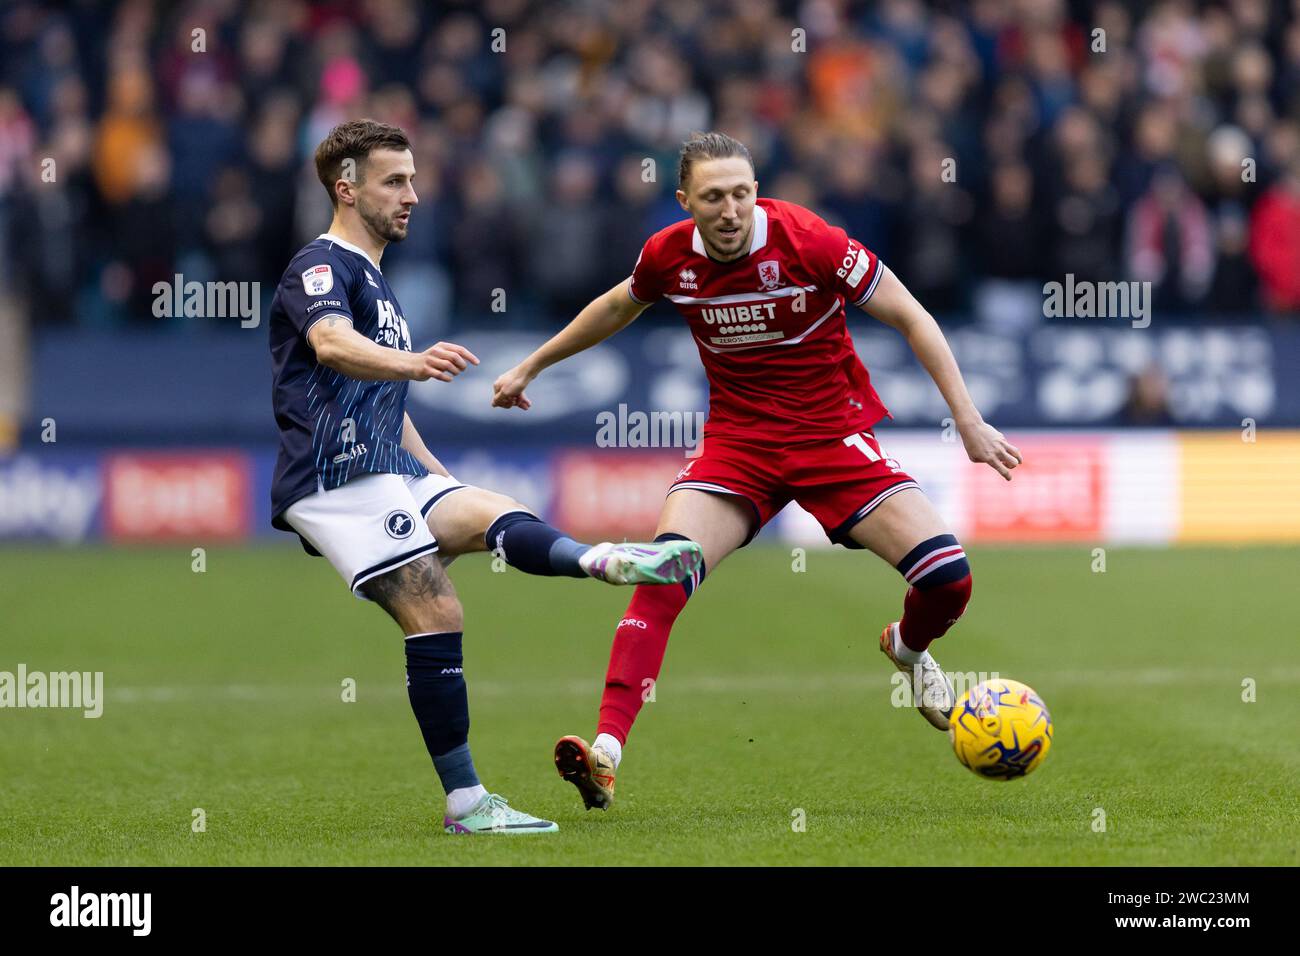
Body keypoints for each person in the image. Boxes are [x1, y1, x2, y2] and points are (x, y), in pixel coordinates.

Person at [492, 132, 1021, 811]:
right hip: (738, 445)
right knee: (665, 571)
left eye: (742, 192)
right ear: (685, 202)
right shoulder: (669, 255)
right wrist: (533, 364)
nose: (732, 209)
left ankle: (911, 650)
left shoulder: (810, 241)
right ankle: (605, 753)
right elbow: (619, 304)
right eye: (713, 197)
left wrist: (968, 420)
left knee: (948, 579)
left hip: (831, 437)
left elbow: (912, 316)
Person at [268, 119, 702, 833]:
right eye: (394, 181)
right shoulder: (320, 266)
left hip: (385, 468)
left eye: (412, 178)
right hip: (334, 480)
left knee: (490, 510)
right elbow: (330, 344)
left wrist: (440, 481)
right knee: (436, 611)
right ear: (346, 190)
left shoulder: (376, 278)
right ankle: (467, 805)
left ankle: (605, 560)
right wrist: (413, 362)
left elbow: (380, 398)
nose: (413, 194)